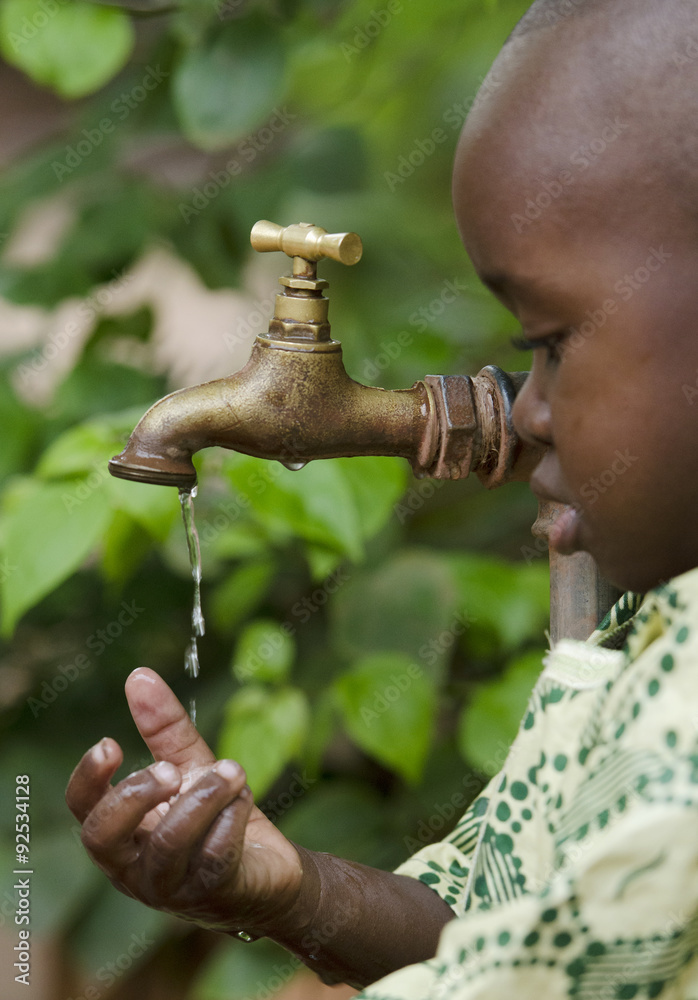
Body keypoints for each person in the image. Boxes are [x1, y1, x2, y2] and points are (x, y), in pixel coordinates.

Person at [66, 0, 698, 995]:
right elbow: (498, 935)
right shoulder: (657, 628)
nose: (523, 409)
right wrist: (293, 892)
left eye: (545, 344)